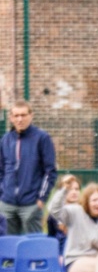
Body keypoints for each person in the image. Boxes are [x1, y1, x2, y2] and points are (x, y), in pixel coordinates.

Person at [0, 101, 56, 237]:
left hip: (31, 204)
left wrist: (41, 199)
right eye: (16, 115)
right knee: (8, 247)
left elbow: (50, 171)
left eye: (23, 115)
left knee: (33, 246)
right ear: (11, 118)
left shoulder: (42, 138)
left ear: (31, 116)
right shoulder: (5, 140)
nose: (20, 119)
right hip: (7, 203)